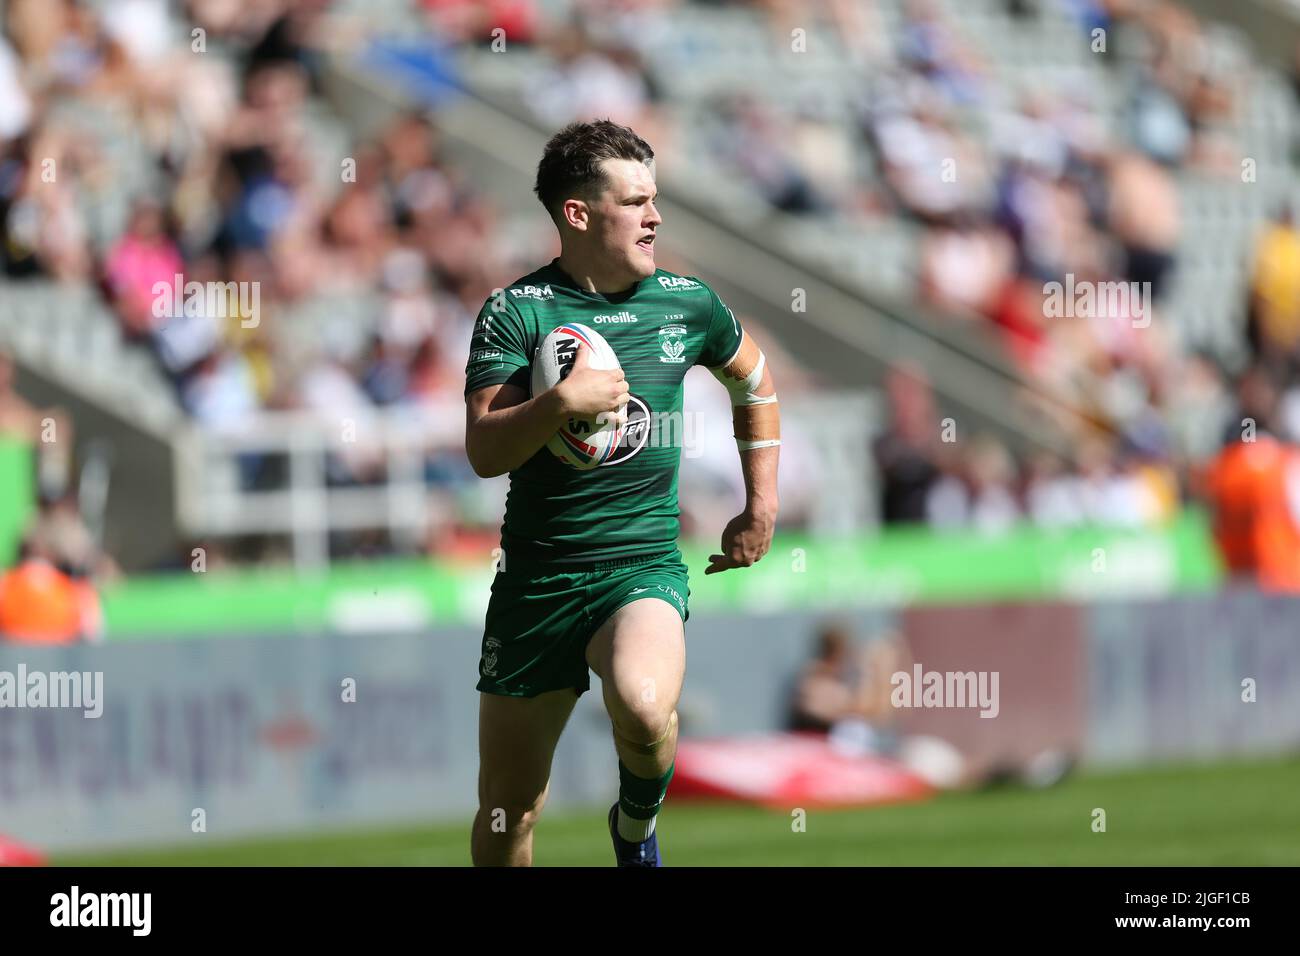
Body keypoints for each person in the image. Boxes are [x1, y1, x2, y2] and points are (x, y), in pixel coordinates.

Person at [463, 119, 781, 867]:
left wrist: (759, 503)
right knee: (511, 810)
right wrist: (559, 405)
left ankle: (635, 833)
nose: (655, 216)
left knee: (643, 706)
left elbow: (756, 384)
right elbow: (483, 450)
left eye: (655, 198)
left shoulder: (686, 304)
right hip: (536, 583)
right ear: (579, 214)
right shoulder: (517, 313)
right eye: (635, 201)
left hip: (637, 569)